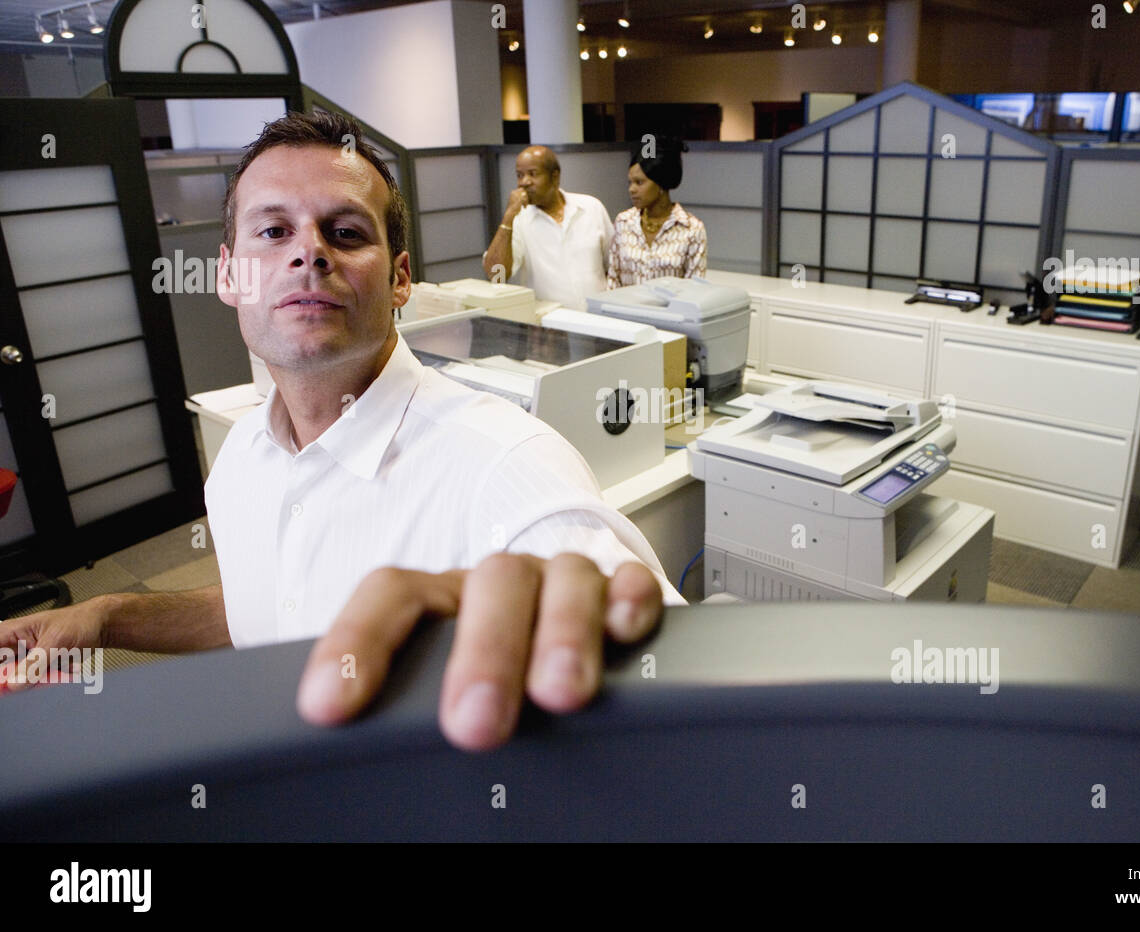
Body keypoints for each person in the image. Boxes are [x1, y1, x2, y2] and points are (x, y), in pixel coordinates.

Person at [0, 110, 675, 752]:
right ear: (229, 276)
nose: (309, 253)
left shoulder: (507, 466)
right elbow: (266, 606)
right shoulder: (242, 455)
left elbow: (674, 690)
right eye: (273, 232)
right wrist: (107, 615)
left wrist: (591, 641)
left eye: (346, 232)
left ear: (401, 279)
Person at [481, 145, 614, 310]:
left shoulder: (591, 207)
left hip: (599, 318)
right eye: (519, 175)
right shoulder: (519, 220)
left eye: (533, 174)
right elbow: (496, 275)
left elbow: (614, 265)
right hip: (550, 326)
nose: (524, 182)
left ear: (555, 177)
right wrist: (508, 217)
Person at [607, 136, 707, 289]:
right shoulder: (623, 222)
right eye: (630, 182)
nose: (631, 189)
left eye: (639, 182)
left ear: (661, 183)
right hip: (625, 310)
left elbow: (695, 290)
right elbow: (613, 281)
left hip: (671, 312)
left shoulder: (691, 229)